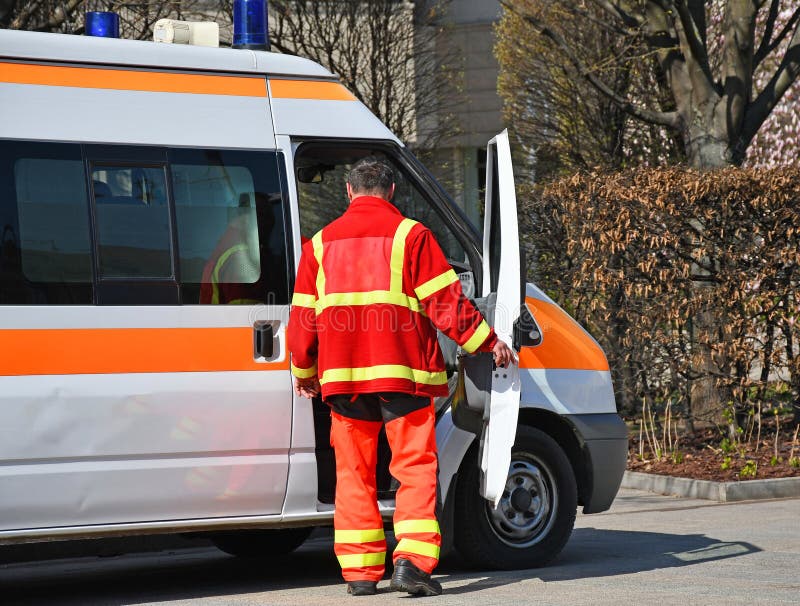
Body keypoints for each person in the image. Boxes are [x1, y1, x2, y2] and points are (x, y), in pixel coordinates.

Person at [287, 157, 515, 597]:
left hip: (344, 382)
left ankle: (359, 573)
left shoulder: (318, 244)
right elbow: (446, 304)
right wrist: (488, 342)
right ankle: (411, 563)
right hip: (403, 377)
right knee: (413, 469)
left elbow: (302, 320)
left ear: (349, 193)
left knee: (353, 473)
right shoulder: (412, 235)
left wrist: (304, 370)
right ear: (392, 192)